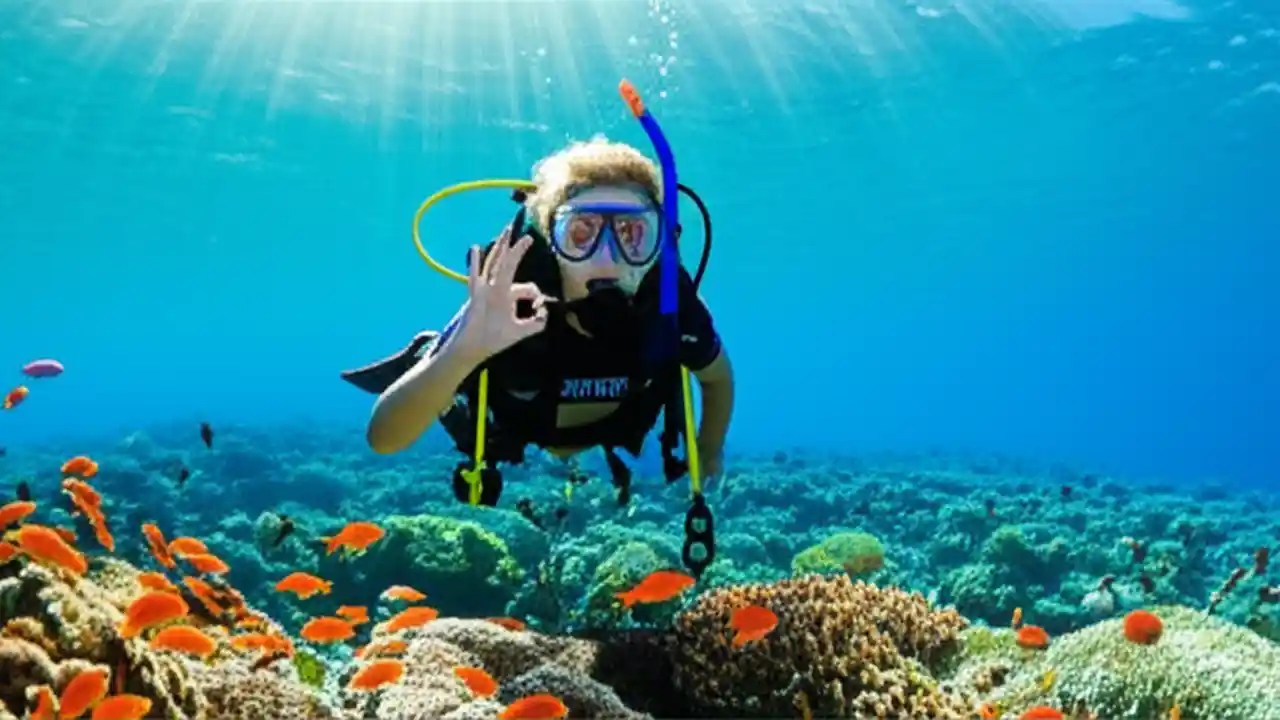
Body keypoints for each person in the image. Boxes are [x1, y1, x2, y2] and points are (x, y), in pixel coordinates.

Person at [345, 136, 734, 507]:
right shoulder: (509, 302)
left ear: (658, 246)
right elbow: (384, 439)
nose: (607, 259)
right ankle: (431, 357)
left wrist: (709, 451)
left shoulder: (669, 303)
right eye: (581, 234)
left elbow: (717, 377)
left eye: (633, 234)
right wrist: (463, 352)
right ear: (551, 241)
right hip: (519, 425)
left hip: (616, 424)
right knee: (456, 388)